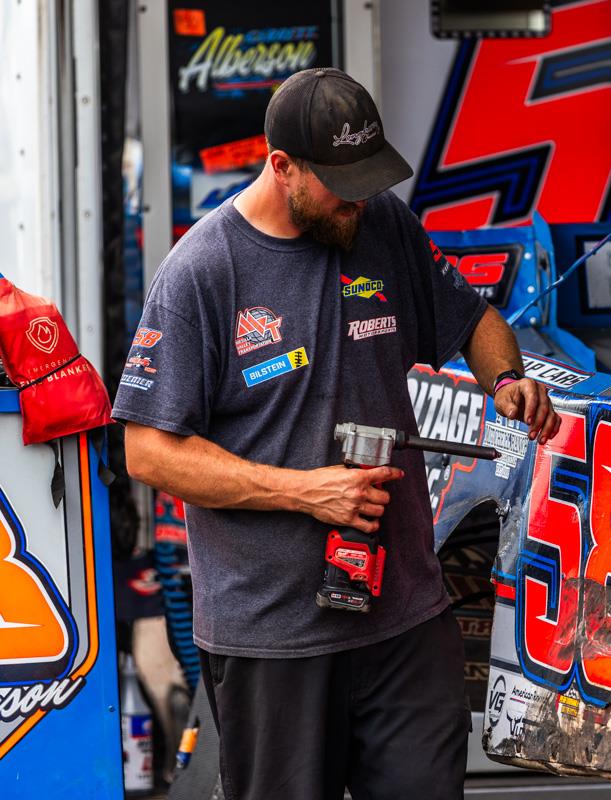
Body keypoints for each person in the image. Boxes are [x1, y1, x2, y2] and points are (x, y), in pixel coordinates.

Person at [113, 67, 560, 800]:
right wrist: (303, 492)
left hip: (404, 616)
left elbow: (473, 319)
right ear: (281, 165)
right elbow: (148, 451)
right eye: (341, 184)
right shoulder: (202, 272)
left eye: (369, 179)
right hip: (274, 635)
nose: (359, 199)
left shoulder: (383, 225)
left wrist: (506, 379)